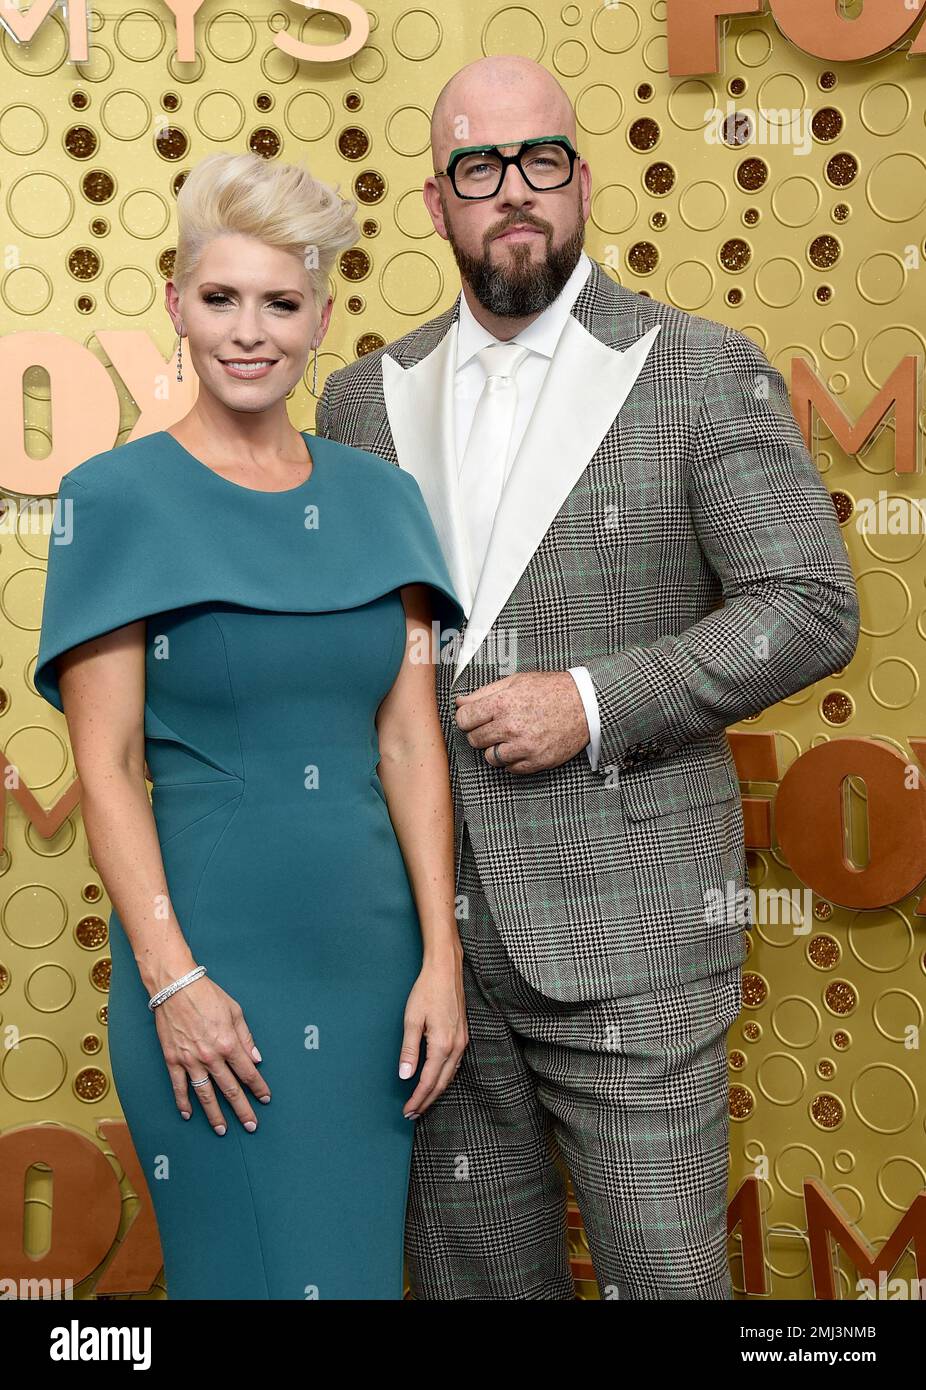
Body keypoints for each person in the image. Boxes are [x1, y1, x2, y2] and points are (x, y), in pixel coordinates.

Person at [316, 55, 861, 1299]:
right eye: (477, 166)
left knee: (665, 1284)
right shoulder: (360, 400)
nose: (513, 191)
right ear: (435, 201)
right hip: (424, 958)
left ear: (581, 177)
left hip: (632, 941)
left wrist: (595, 700)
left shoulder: (696, 364)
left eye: (539, 160)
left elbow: (808, 603)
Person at [33, 150, 468, 1300]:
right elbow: (108, 763)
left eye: (281, 303)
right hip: (209, 963)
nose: (248, 331)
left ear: (323, 316)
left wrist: (441, 957)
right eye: (219, 297)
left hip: (373, 973)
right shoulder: (113, 496)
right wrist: (174, 980)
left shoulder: (382, 498)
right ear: (175, 300)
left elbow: (409, 744)